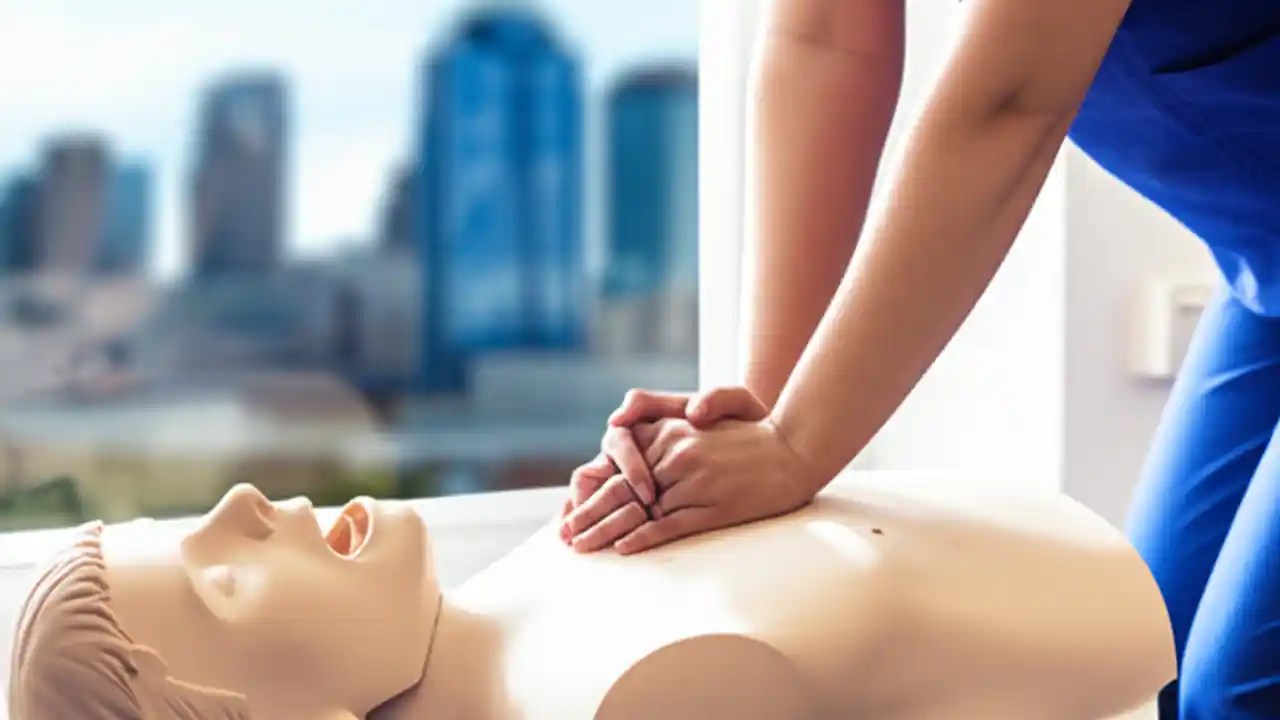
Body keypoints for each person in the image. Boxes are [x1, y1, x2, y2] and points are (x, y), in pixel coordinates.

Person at [559, 1, 1280, 717]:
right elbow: (825, 39)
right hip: (1262, 256)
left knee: (1243, 690)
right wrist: (761, 418)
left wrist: (794, 447)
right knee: (1156, 664)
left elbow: (1011, 102)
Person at [9, 481, 1173, 719]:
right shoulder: (633, 701)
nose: (245, 500)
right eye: (218, 581)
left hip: (1111, 550)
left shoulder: (501, 606)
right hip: (1164, 655)